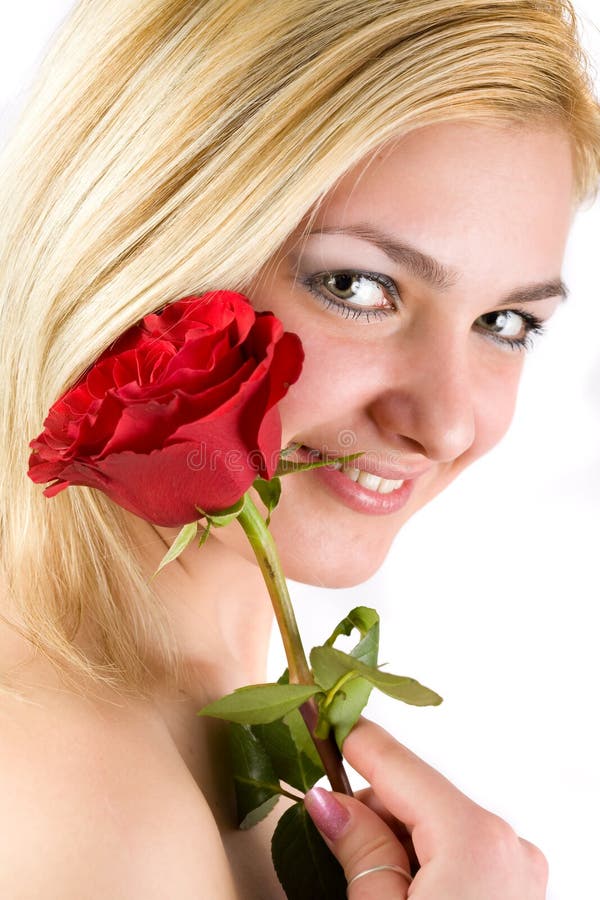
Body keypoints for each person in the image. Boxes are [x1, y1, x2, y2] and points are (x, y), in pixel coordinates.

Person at [0, 1, 598, 897]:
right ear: (132, 253)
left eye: (504, 323)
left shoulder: (218, 767)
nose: (445, 423)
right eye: (358, 285)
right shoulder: (82, 805)